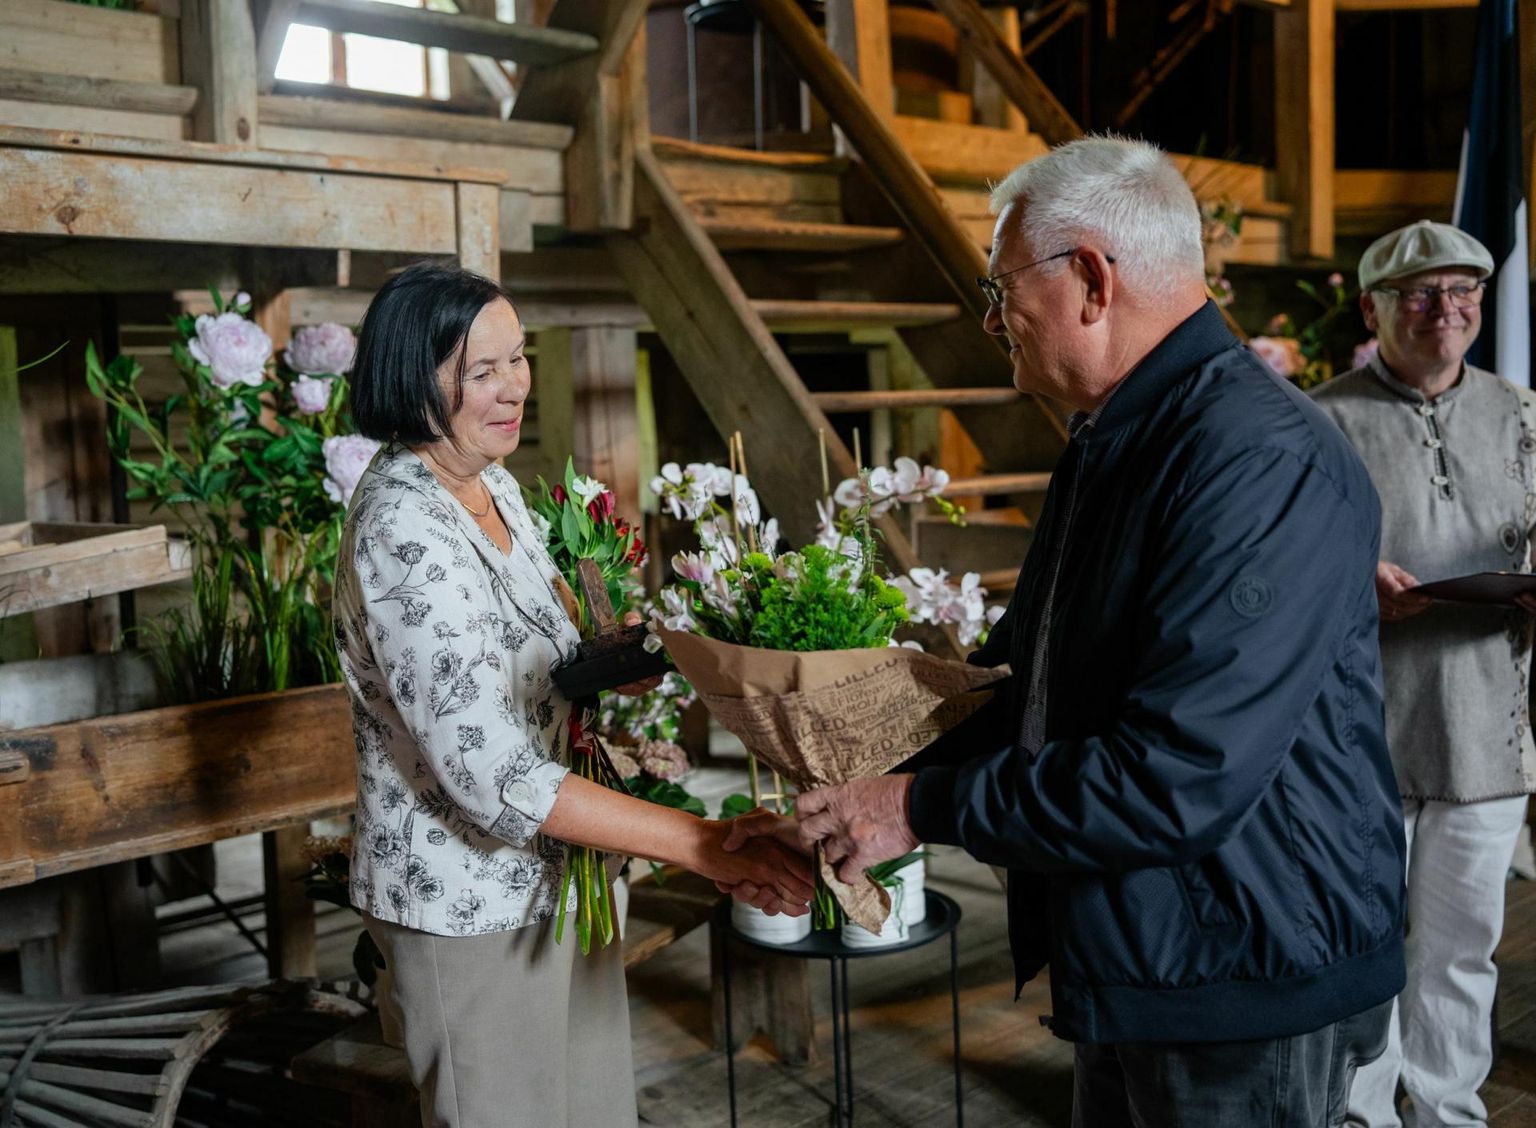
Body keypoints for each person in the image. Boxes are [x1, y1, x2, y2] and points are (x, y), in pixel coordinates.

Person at [731, 136, 1407, 1126]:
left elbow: (1177, 776)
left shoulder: (1256, 460)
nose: (994, 317)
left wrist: (914, 808)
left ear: (1091, 278)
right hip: (1150, 941)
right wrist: (855, 763)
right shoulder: (1119, 437)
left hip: (1241, 961)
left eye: (1000, 287)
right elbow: (1040, 690)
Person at [333, 262, 812, 1128]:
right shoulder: (403, 528)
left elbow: (531, 659)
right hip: (467, 896)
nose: (514, 386)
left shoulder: (490, 483)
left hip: (564, 874)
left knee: (590, 1110)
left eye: (519, 358)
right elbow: (494, 774)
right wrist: (703, 843)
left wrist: (620, 657)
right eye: (482, 371)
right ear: (411, 379)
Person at [1310, 220, 1536, 1128]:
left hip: (1487, 728)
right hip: (1361, 741)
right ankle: (1362, 1117)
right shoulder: (1318, 420)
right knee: (1361, 951)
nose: (1446, 309)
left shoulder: (1524, 414)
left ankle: (1448, 1112)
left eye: (1464, 292)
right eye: (1419, 292)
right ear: (1371, 308)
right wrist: (1350, 585)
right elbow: (1275, 571)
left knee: (1460, 952)